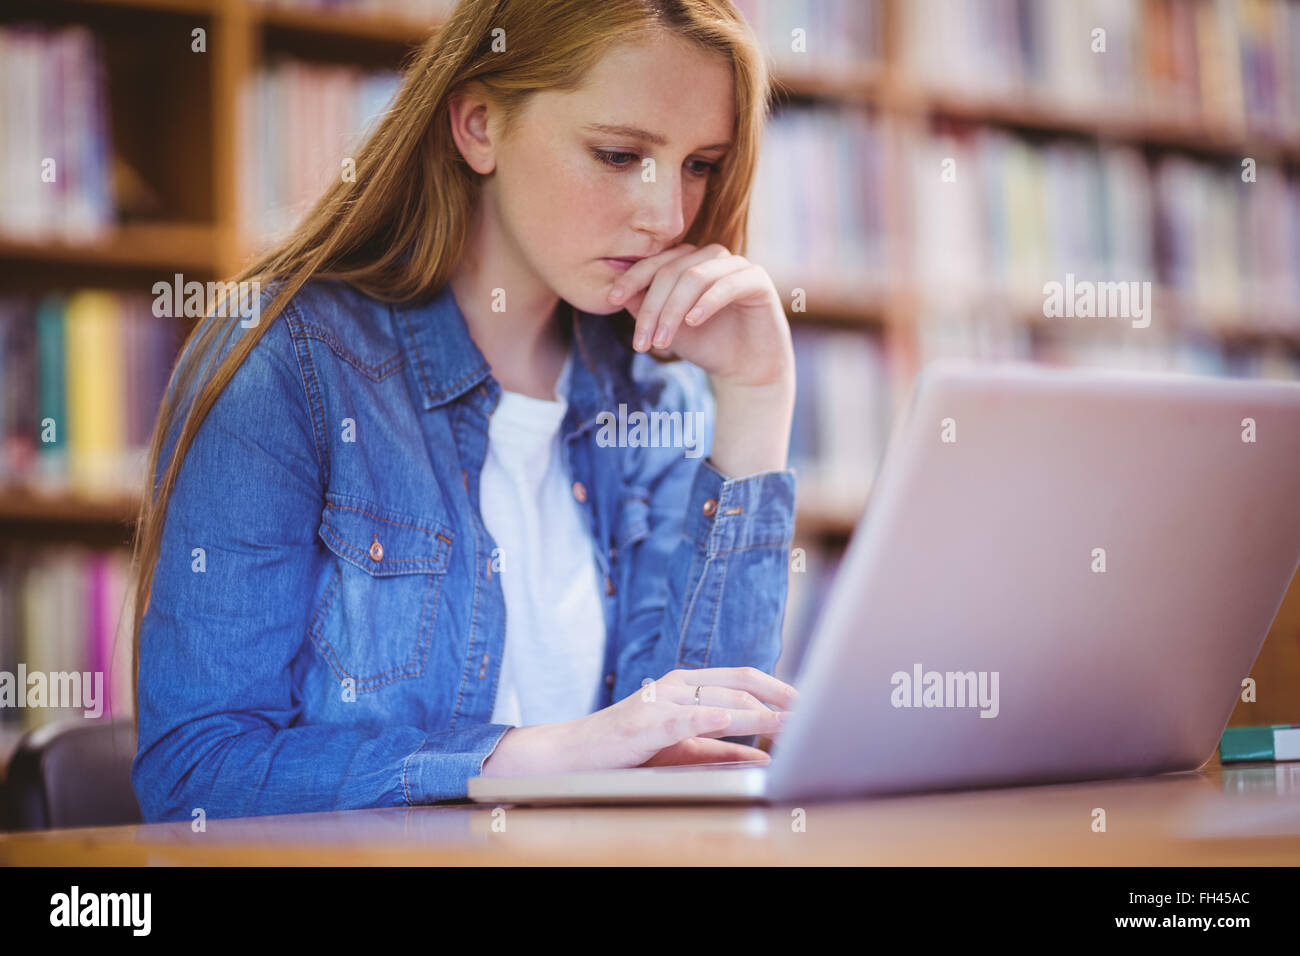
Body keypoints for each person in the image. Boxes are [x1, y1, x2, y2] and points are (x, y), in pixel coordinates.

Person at [129, 0, 799, 822]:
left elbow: (709, 756)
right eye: (620, 154)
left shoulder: (654, 394)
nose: (666, 217)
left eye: (700, 165)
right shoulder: (288, 361)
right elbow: (197, 775)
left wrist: (757, 400)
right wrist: (542, 755)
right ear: (478, 124)